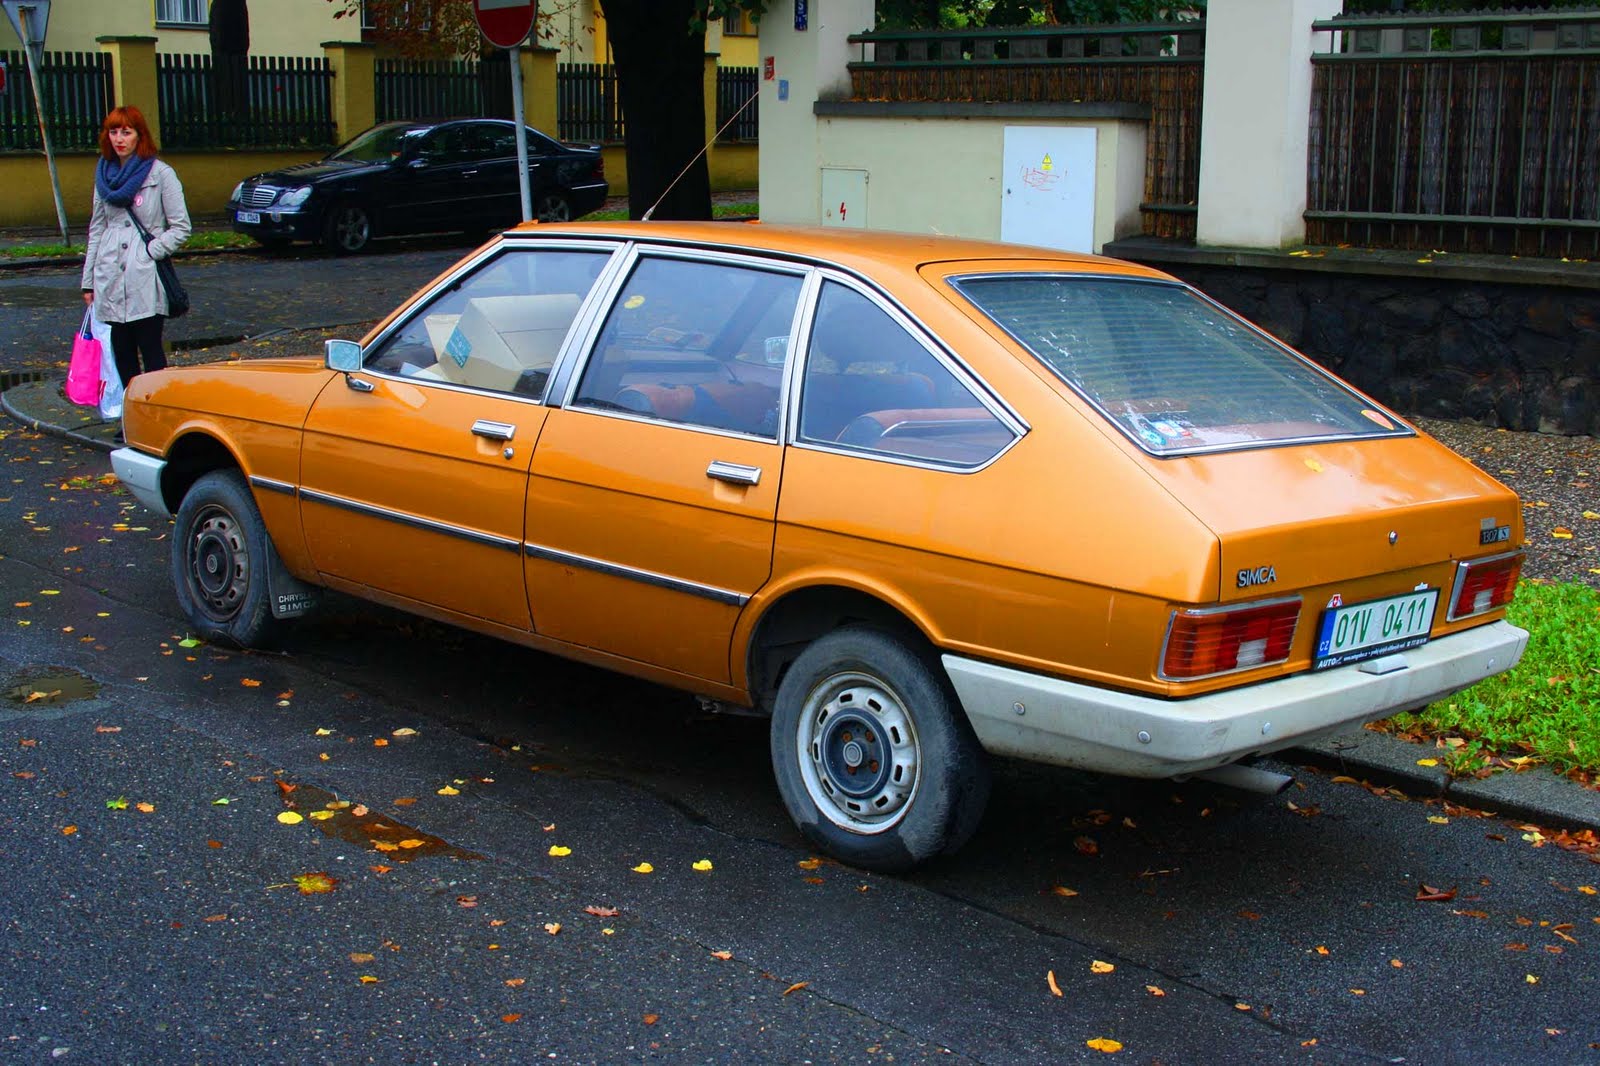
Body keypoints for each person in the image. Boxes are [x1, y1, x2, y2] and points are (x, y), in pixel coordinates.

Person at [81, 105, 191, 388]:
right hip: (110, 276)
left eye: (126, 132)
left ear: (139, 136)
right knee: (122, 355)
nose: (119, 138)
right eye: (113, 131)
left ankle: (157, 416)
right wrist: (88, 281)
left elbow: (181, 227)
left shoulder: (161, 173)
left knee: (152, 353)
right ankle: (131, 420)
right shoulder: (104, 175)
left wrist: (151, 251)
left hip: (145, 276)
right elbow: (97, 228)